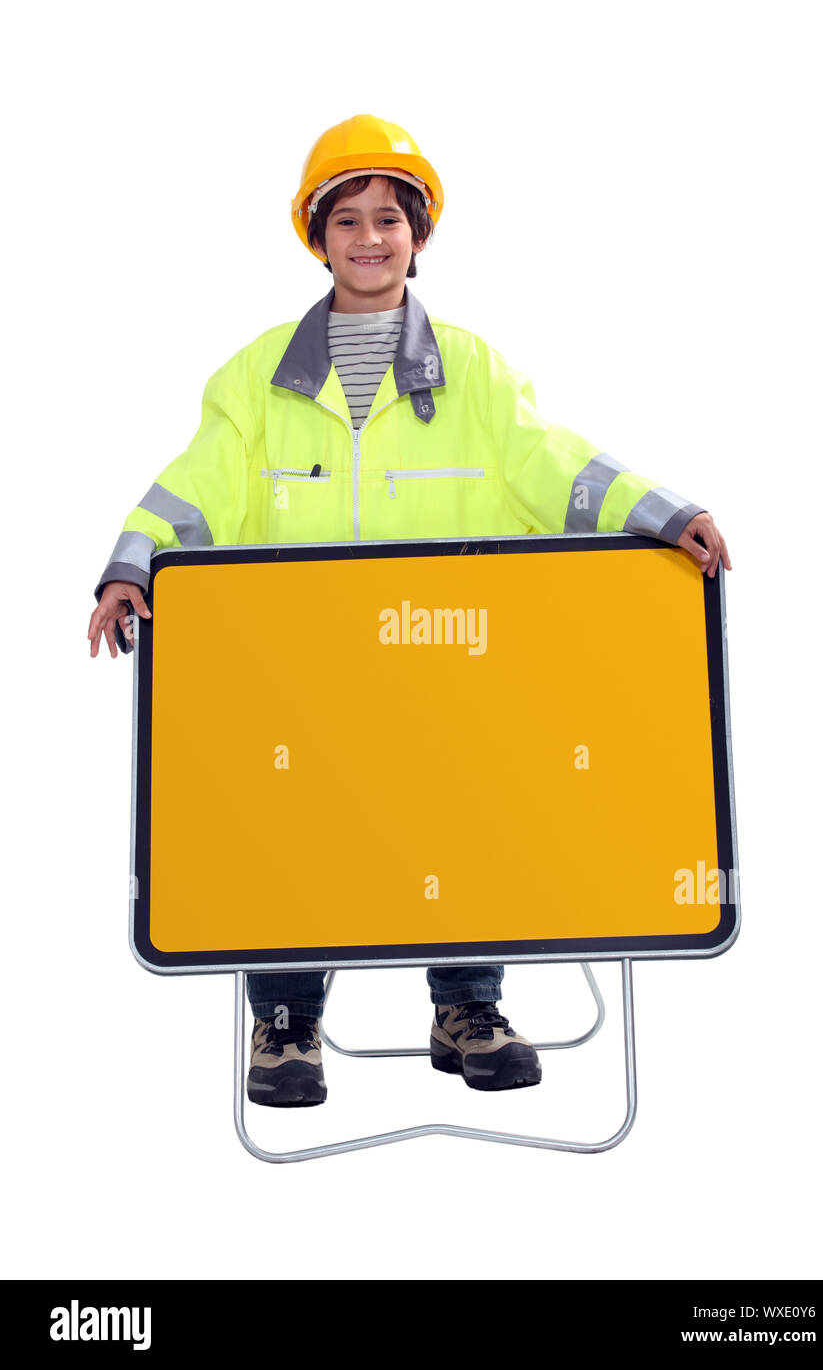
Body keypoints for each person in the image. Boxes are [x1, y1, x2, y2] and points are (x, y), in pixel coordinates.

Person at [88, 113, 731, 1109]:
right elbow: (198, 487)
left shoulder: (471, 370)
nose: (369, 237)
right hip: (298, 672)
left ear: (417, 234)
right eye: (346, 219)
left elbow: (547, 462)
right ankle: (287, 1019)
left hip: (448, 669)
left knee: (460, 814)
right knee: (285, 830)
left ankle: (465, 1006)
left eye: (387, 217)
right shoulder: (253, 378)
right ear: (319, 236)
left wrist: (664, 514)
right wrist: (133, 564)